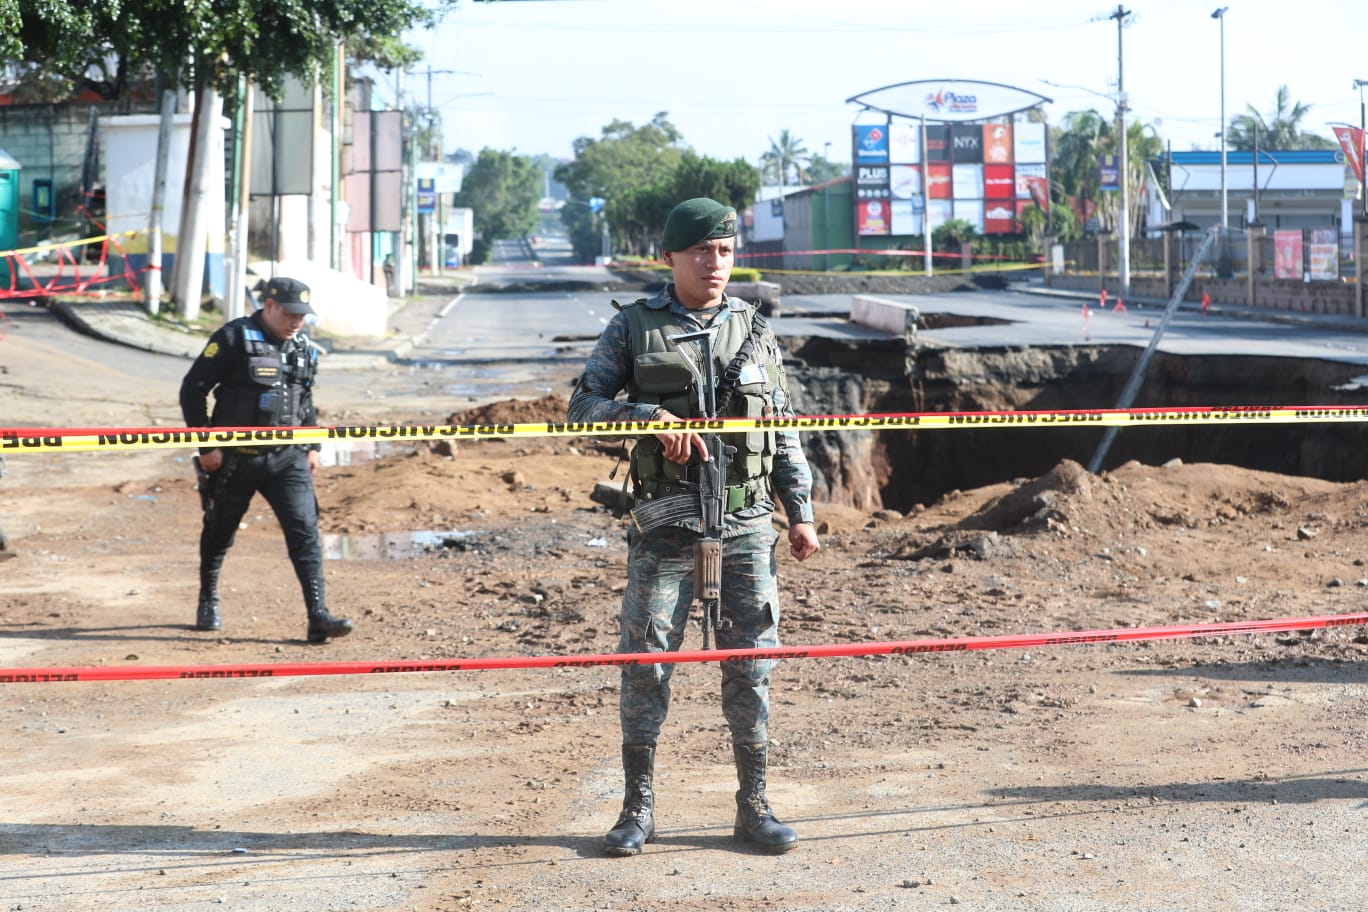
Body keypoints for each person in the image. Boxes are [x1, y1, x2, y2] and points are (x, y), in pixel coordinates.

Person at [566, 197, 821, 856]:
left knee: (751, 665)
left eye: (726, 251)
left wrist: (802, 513)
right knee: (646, 662)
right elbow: (582, 407)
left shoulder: (756, 330)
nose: (715, 263)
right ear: (671, 258)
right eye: (702, 251)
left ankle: (754, 806)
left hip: (746, 527)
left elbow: (782, 428)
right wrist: (646, 417)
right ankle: (637, 810)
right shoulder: (633, 328)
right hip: (665, 528)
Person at [179, 277, 353, 644]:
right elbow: (193, 389)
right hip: (235, 459)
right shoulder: (232, 338)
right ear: (269, 306)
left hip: (287, 459)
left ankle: (318, 616)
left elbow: (304, 400)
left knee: (305, 532)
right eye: (290, 314)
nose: (296, 323)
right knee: (219, 531)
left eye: (302, 316)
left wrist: (313, 446)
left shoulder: (303, 346)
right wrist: (206, 444)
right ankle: (207, 598)